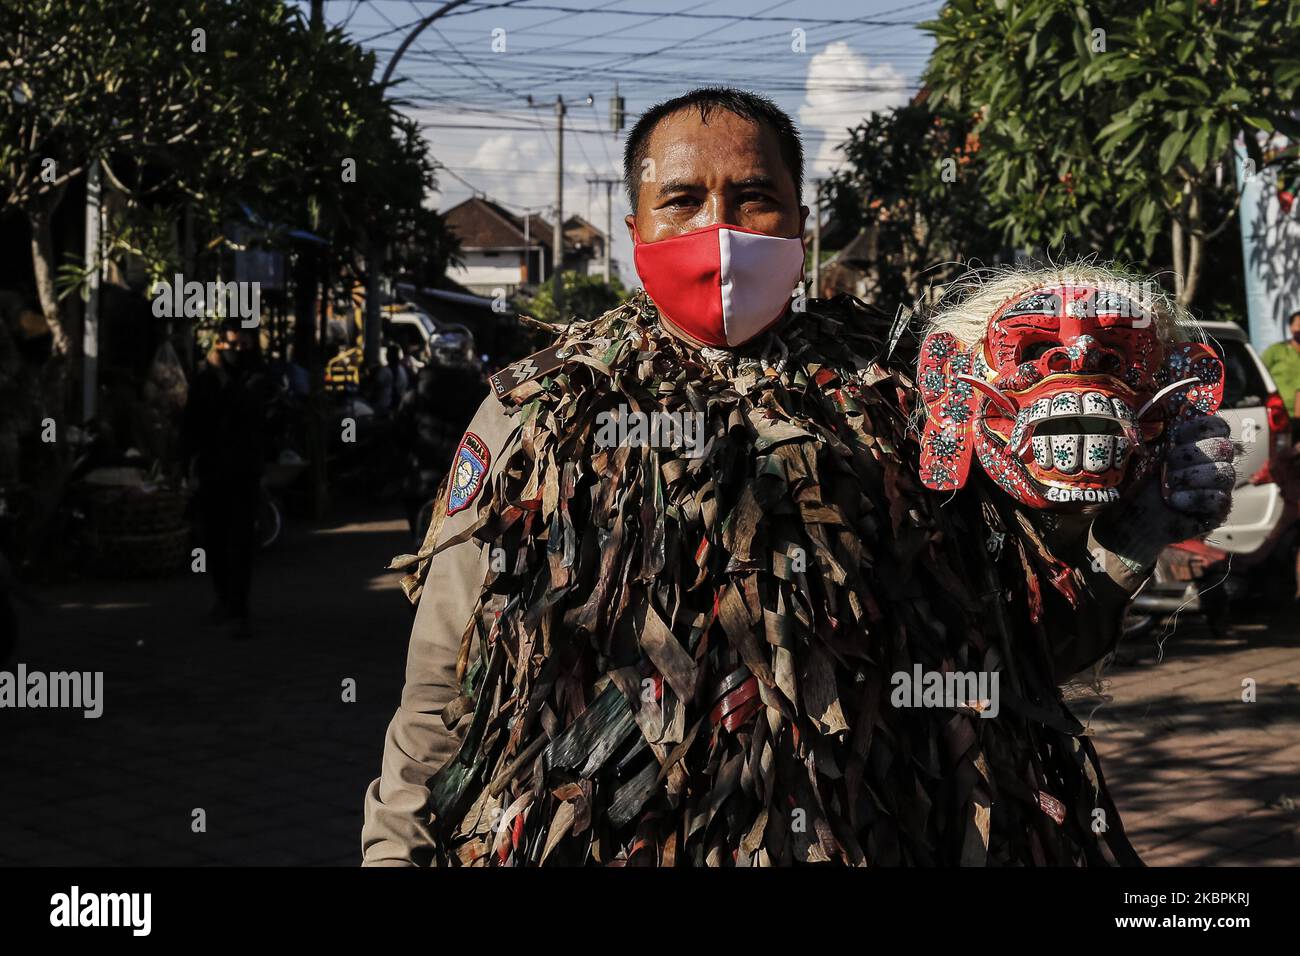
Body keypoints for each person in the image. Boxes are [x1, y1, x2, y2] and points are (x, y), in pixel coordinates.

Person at [361, 87, 1234, 867]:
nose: (721, 228)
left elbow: (1015, 664)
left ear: (801, 223)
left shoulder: (913, 400)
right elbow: (444, 688)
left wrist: (1127, 543)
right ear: (633, 231)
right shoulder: (538, 414)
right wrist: (393, 850)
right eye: (682, 201)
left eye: (755, 198)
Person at [183, 320, 270, 641]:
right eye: (229, 345)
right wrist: (187, 463)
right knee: (214, 540)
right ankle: (223, 600)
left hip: (244, 472)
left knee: (241, 542)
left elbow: (251, 408)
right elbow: (192, 421)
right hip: (212, 471)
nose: (235, 351)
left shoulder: (256, 376)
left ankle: (239, 608)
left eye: (241, 345)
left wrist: (224, 379)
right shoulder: (204, 378)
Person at [1262, 310, 1300, 432]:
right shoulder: (1276, 350)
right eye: (1299, 325)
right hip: (1280, 415)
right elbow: (1260, 374)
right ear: (1291, 327)